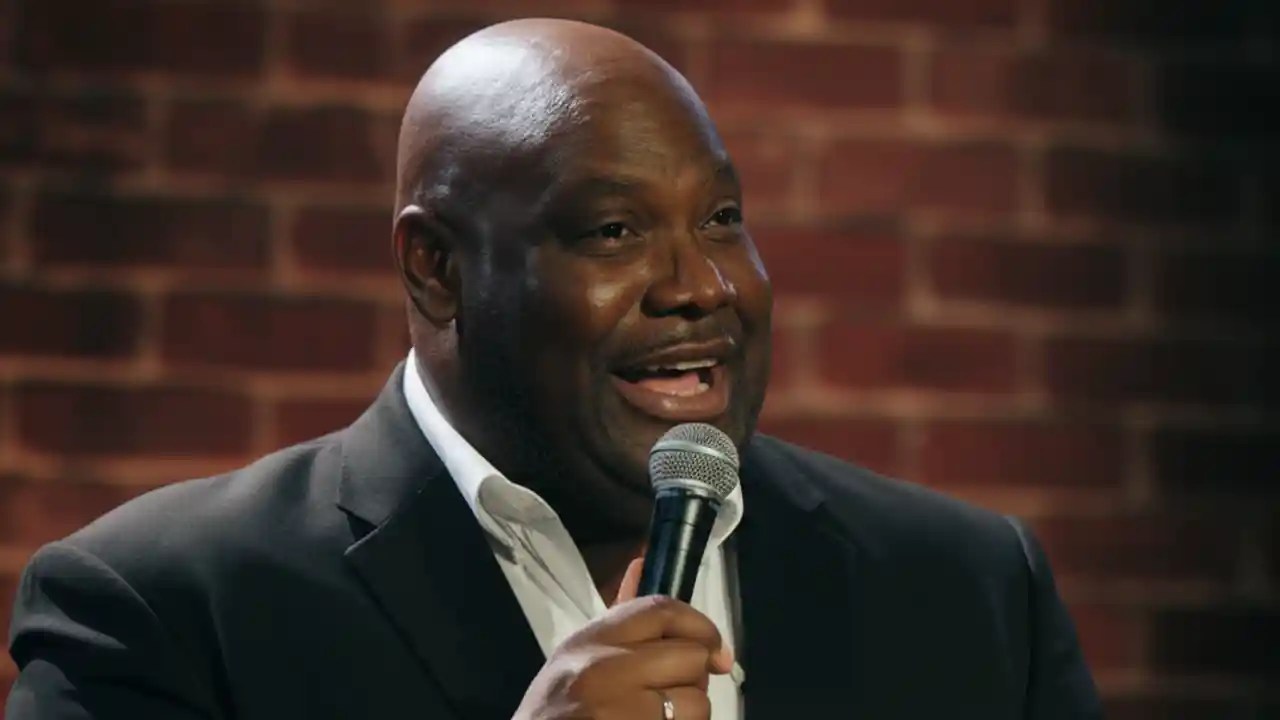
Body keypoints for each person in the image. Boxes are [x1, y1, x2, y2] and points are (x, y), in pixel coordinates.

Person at [5, 18, 1101, 720]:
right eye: (614, 232)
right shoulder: (161, 611)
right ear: (435, 271)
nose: (698, 286)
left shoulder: (968, 593)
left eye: (720, 219)